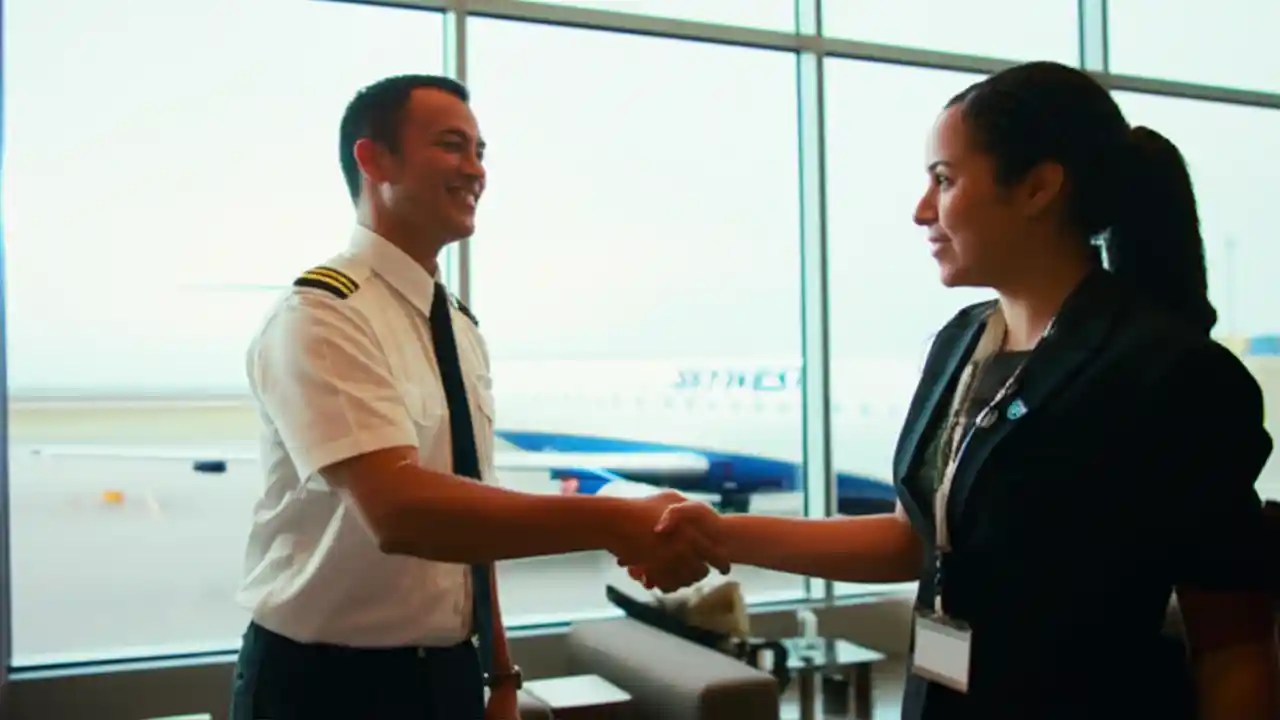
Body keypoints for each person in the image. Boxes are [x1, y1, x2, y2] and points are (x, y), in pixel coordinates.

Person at [634, 61, 1279, 719]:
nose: (921, 211)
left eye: (943, 180)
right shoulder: (962, 343)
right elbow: (911, 539)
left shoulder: (1168, 373)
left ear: (1037, 188)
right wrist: (721, 534)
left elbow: (1235, 643)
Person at [229, 74, 725, 720]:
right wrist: (618, 520)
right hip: (326, 685)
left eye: (480, 152)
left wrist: (501, 677)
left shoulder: (458, 326)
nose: (475, 171)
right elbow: (402, 512)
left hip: (450, 676)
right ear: (374, 159)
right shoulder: (322, 315)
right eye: (451, 146)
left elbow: (471, 512)